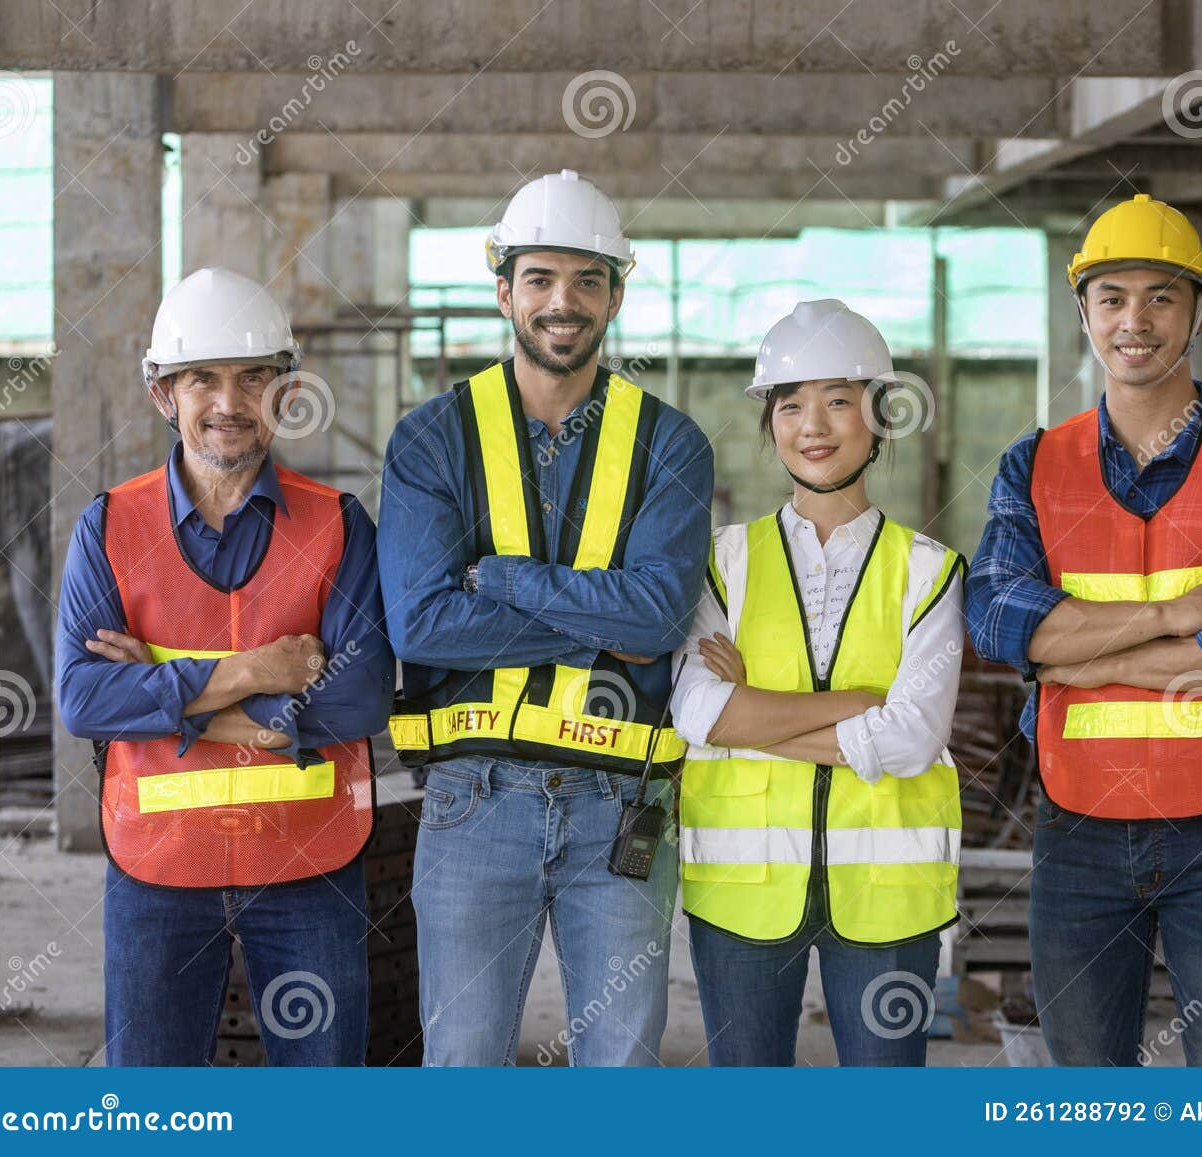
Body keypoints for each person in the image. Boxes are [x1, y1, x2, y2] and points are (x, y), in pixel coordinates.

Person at [967, 194, 1202, 1066]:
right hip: (1077, 824)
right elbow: (999, 619)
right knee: (1091, 1096)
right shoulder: (1034, 465)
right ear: (1083, 312)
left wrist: (1083, 662)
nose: (1137, 320)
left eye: (1162, 296)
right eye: (1113, 296)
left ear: (1200, 312)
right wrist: (1171, 617)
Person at [379, 170, 714, 1066]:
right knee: (463, 1070)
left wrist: (506, 579)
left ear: (615, 292)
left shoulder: (671, 442)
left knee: (619, 1075)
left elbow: (658, 616)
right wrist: (613, 621)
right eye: (540, 279)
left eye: (587, 280)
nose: (563, 302)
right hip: (471, 801)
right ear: (504, 289)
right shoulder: (430, 438)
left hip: (622, 807)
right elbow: (421, 625)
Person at [55, 267, 394, 1066]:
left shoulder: (339, 524)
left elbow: (364, 694)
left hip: (311, 863)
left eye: (254, 377)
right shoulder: (108, 525)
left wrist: (177, 704)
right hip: (157, 866)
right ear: (161, 393)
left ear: (285, 390)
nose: (228, 401)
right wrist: (253, 671)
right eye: (200, 377)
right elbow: (81, 697)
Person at [669, 299, 964, 1066]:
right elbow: (699, 710)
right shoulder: (722, 559)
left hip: (889, 900)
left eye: (839, 400)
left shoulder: (930, 572)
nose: (814, 425)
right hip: (740, 891)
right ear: (770, 424)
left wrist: (755, 718)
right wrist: (856, 705)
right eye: (790, 403)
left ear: (881, 416)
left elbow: (910, 738)